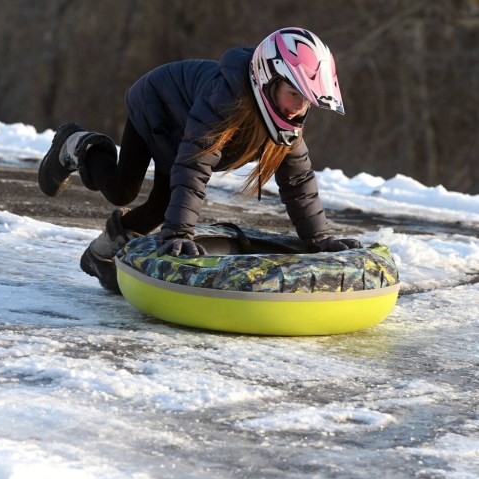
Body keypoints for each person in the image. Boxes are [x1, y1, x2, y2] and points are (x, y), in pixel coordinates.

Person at [38, 27, 361, 294]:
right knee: (122, 190)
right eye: (294, 94)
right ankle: (80, 144)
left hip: (183, 124)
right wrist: (179, 234)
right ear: (268, 79)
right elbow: (194, 166)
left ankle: (100, 254)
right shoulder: (225, 101)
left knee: (162, 206)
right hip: (157, 105)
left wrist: (319, 238)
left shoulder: (286, 125)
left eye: (307, 100)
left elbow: (298, 181)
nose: (299, 107)